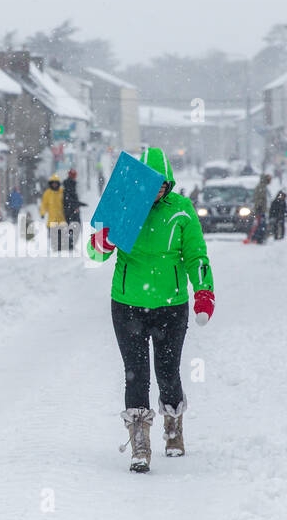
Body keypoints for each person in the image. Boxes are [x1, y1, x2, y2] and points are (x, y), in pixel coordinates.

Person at [88, 146, 215, 473]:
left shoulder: (182, 210)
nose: (153, 190)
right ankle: (140, 439)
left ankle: (173, 426)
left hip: (171, 307)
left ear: (168, 181)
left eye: (159, 183)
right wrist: (102, 241)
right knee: (136, 374)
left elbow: (196, 256)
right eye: (146, 183)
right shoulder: (125, 207)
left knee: (168, 371)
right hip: (127, 305)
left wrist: (203, 292)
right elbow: (96, 254)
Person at [40, 174, 66, 251]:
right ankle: (56, 247)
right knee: (54, 235)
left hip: (62, 218)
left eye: (56, 183)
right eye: (53, 183)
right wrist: (42, 213)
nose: (54, 185)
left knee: (61, 234)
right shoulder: (47, 193)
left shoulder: (62, 192)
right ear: (51, 184)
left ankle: (61, 246)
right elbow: (44, 204)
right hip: (52, 219)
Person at [62, 169, 83, 250]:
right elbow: (69, 199)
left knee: (71, 226)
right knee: (75, 226)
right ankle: (70, 243)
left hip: (69, 210)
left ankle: (70, 243)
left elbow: (70, 198)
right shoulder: (70, 185)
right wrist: (75, 207)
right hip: (71, 210)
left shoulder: (68, 184)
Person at [250, 172, 271, 244]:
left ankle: (257, 238)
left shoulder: (262, 186)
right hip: (260, 210)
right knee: (261, 225)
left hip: (260, 209)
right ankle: (258, 238)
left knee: (260, 224)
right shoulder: (261, 187)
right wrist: (259, 208)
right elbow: (259, 199)